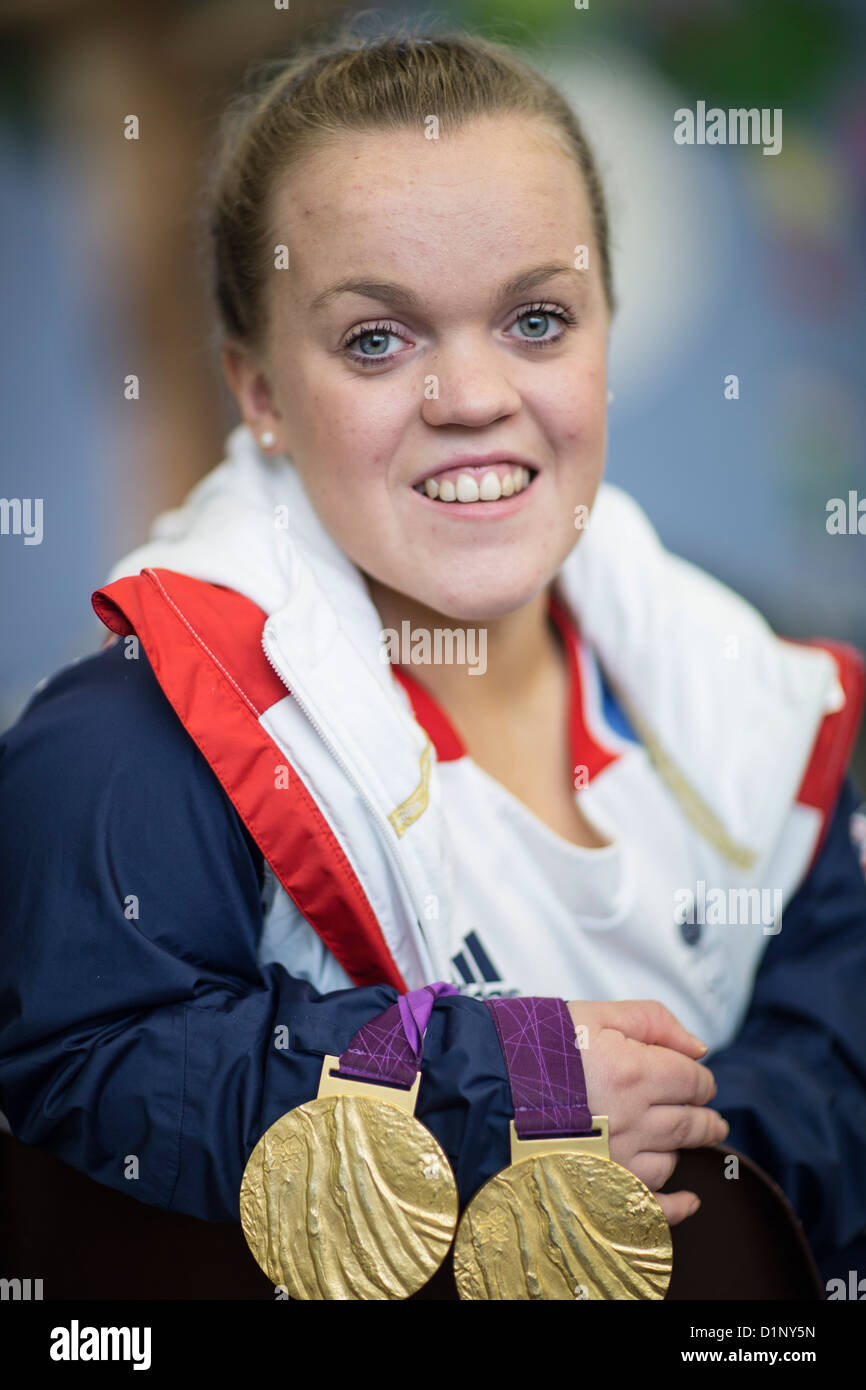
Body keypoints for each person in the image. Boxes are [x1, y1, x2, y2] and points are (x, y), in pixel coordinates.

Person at [1, 26, 865, 1284]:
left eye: (535, 319)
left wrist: (686, 1176)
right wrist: (502, 1090)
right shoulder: (129, 733)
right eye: (375, 339)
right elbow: (91, 1069)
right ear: (256, 392)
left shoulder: (754, 691)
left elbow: (836, 1050)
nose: (470, 395)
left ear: (604, 338)